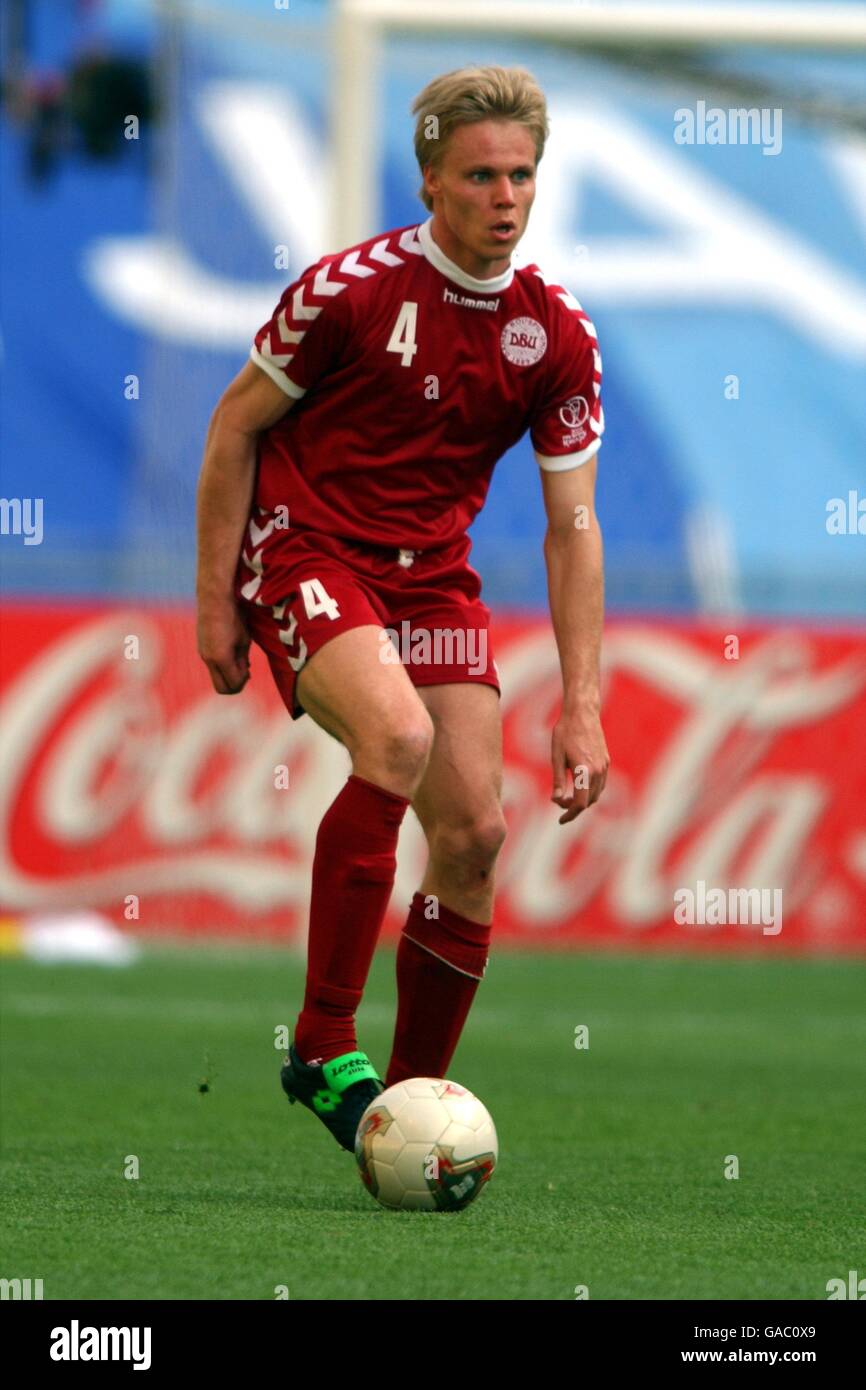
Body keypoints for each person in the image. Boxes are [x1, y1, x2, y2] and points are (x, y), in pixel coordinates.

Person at [195, 65, 610, 1154]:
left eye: (520, 174)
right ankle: (322, 1035)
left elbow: (571, 529)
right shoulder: (350, 290)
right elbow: (233, 429)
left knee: (474, 833)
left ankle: (407, 1115)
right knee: (396, 733)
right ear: (430, 179)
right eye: (480, 175)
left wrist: (582, 703)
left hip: (429, 575)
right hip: (307, 545)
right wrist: (211, 606)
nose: (505, 196)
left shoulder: (554, 335)